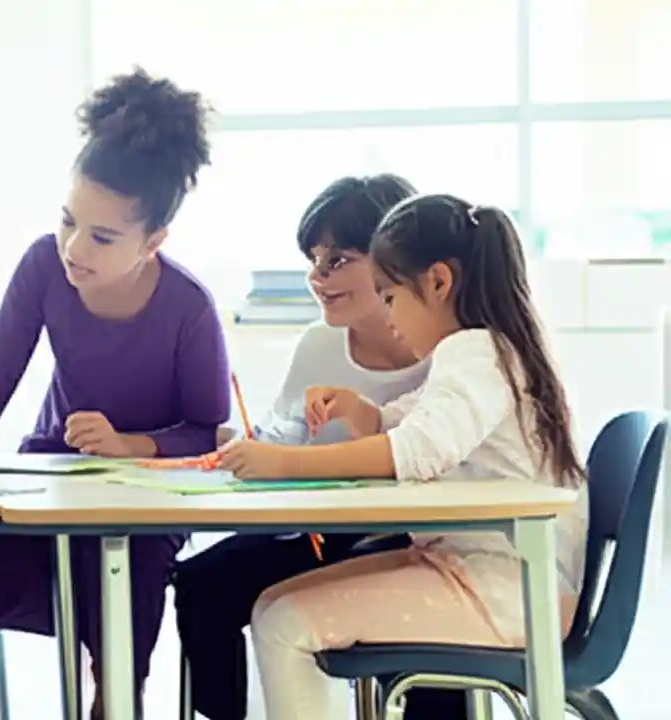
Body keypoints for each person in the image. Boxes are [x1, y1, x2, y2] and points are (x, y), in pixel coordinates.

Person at [217, 194, 588, 719]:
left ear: (438, 282)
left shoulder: (476, 354)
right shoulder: (491, 351)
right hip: (489, 577)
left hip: (509, 593)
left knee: (283, 623)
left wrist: (284, 463)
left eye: (390, 298)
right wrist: (366, 413)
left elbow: (417, 450)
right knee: (272, 607)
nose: (388, 319)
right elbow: (418, 423)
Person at [0, 68, 230, 718]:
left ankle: (115, 692)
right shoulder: (43, 264)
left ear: (153, 242)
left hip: (147, 492)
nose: (74, 247)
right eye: (69, 221)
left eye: (102, 237)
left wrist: (132, 445)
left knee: (131, 562)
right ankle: (97, 627)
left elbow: (209, 434)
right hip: (52, 472)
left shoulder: (190, 310)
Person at [174, 175, 470, 719]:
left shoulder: (453, 350)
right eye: (315, 260)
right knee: (201, 585)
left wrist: (287, 457)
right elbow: (281, 432)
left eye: (337, 260)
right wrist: (245, 446)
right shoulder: (319, 342)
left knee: (411, 627)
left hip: (419, 540)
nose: (317, 276)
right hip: (321, 536)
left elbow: (421, 452)